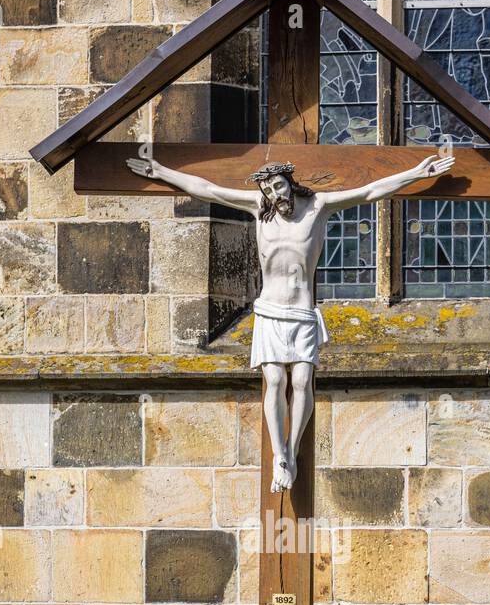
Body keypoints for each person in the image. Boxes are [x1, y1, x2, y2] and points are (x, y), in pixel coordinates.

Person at [127, 148, 455, 492]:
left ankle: (292, 452)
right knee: (274, 381)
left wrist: (417, 173)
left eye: (279, 187)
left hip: (301, 312)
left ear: (290, 182)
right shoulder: (258, 209)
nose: (275, 195)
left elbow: (371, 191)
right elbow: (207, 189)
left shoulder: (318, 207)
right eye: (269, 190)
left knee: (301, 381)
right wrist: (162, 170)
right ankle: (279, 455)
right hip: (269, 310)